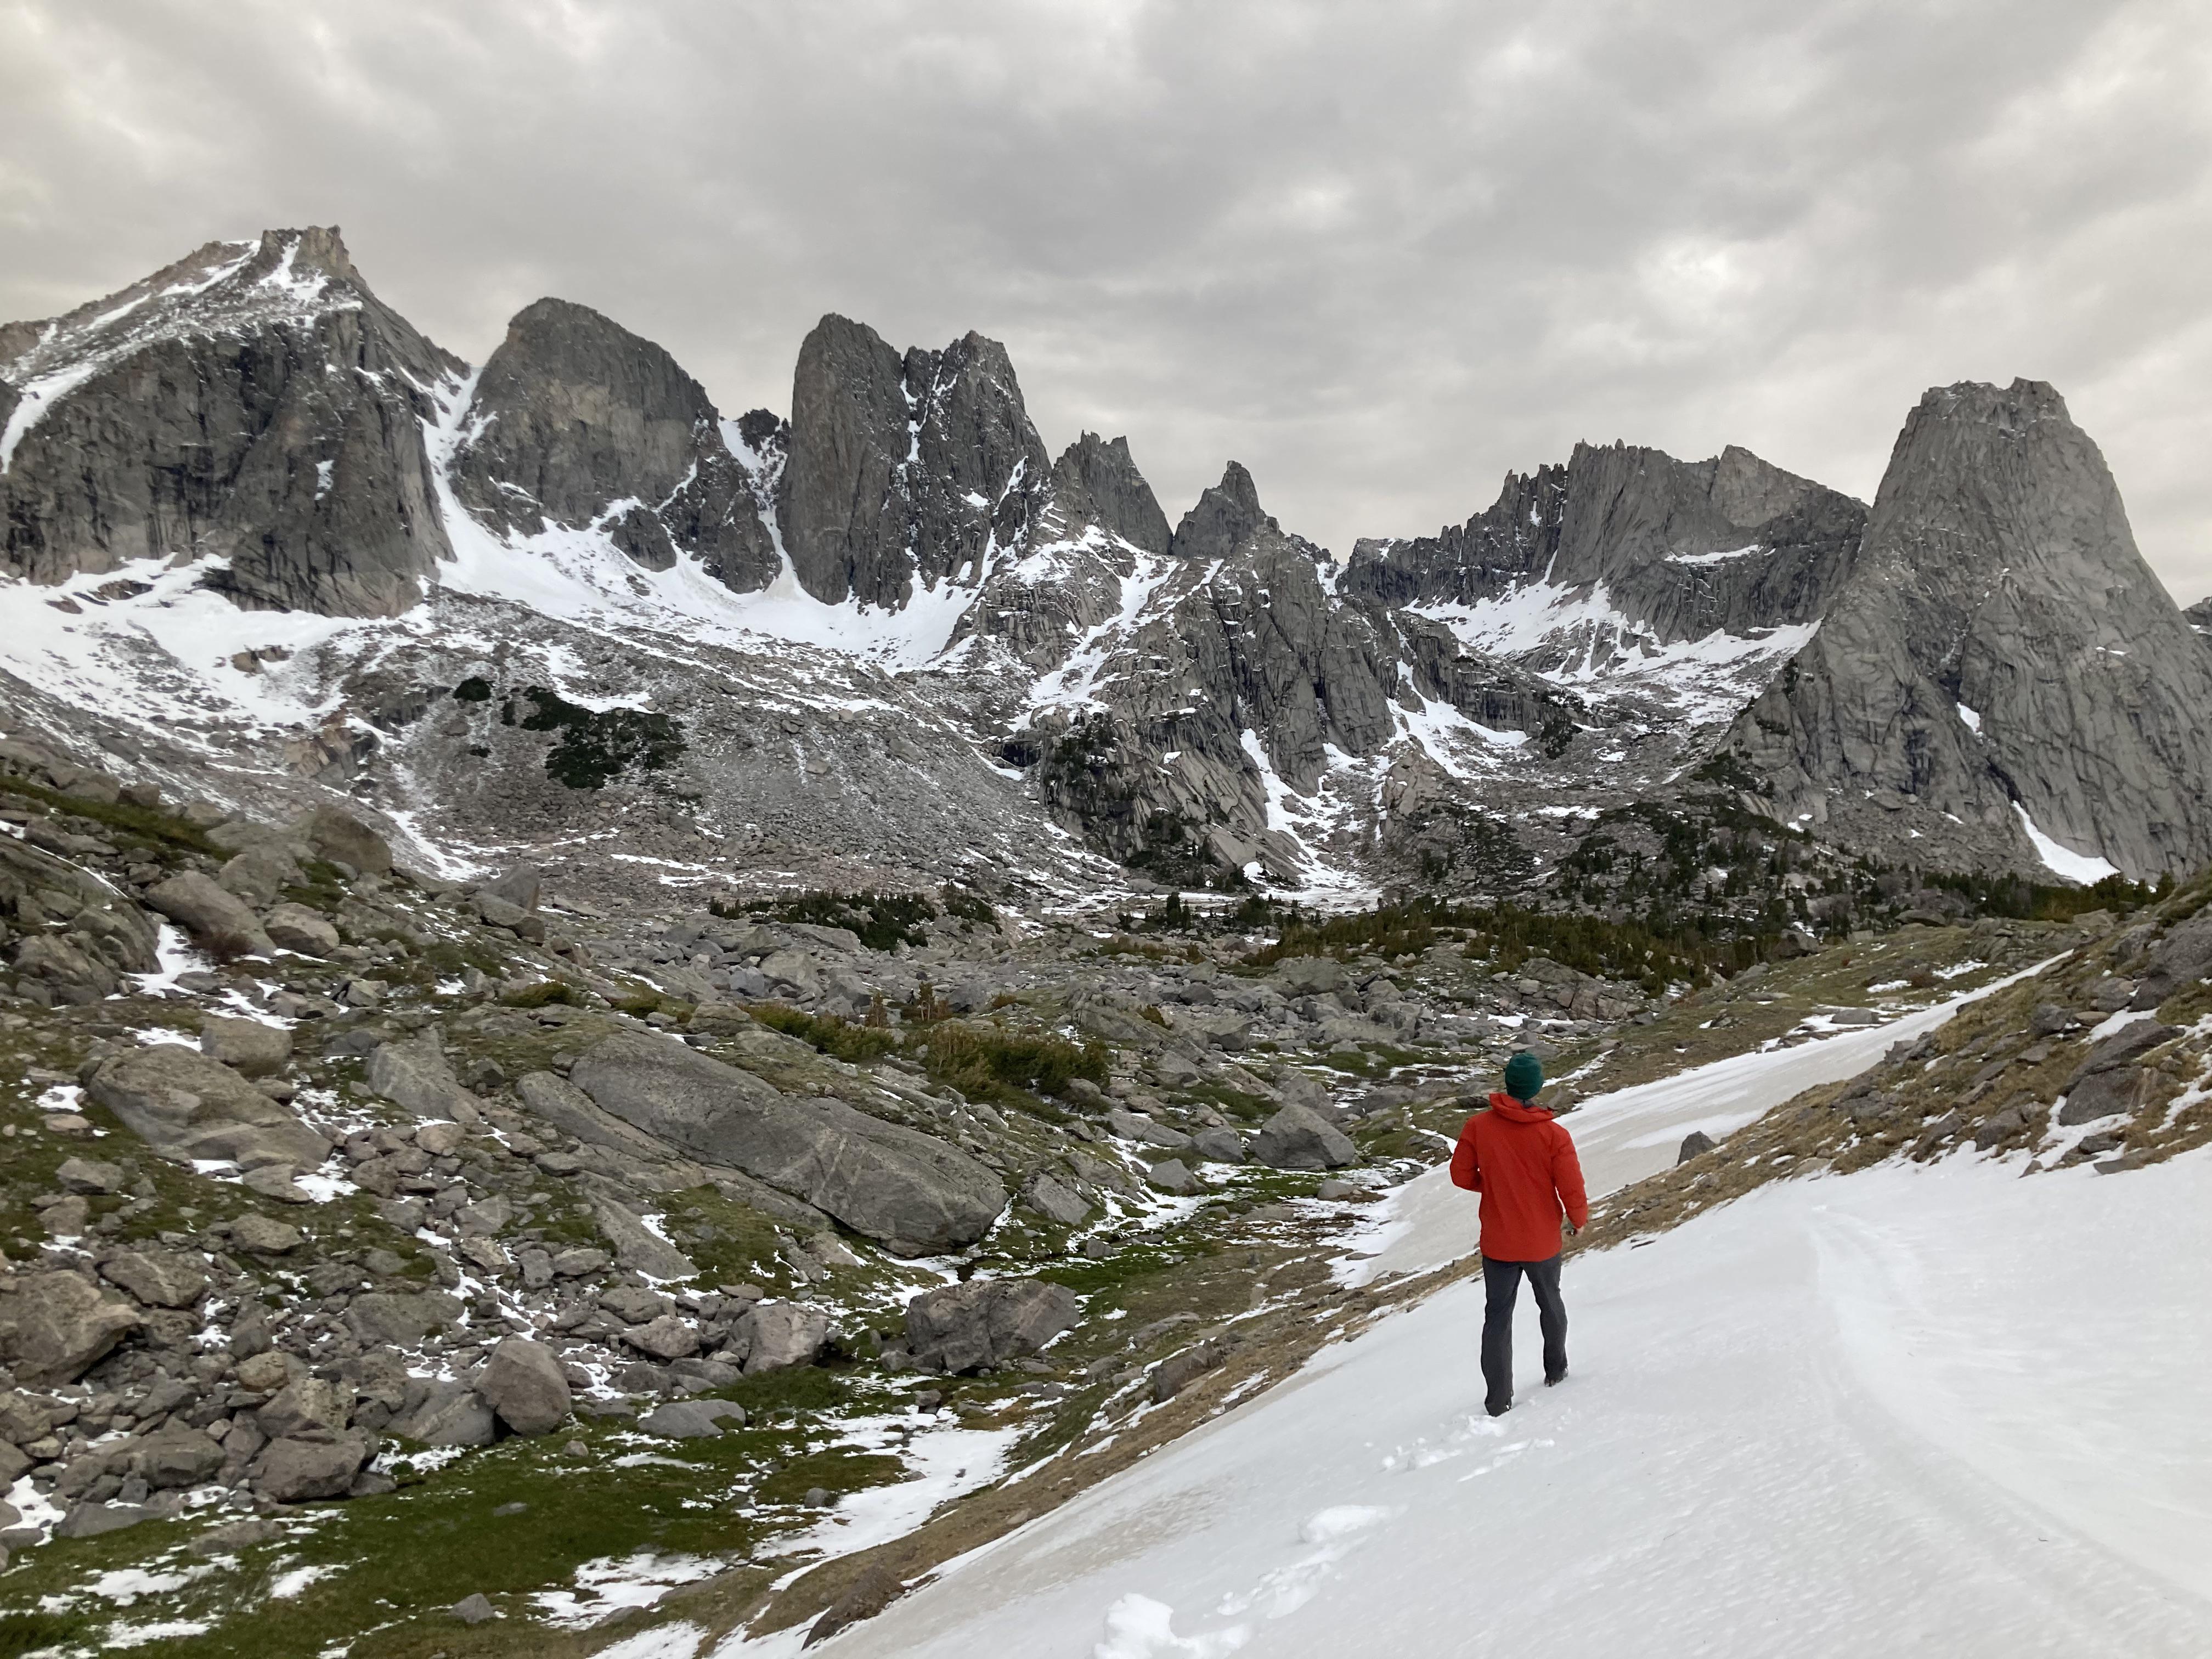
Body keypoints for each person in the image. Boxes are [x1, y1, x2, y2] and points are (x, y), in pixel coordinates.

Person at [1449, 1050, 1589, 1417]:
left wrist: (1492, 1186)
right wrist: (1578, 1218)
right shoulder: (1554, 1135)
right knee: (1550, 1301)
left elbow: (1460, 1175)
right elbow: (1570, 1186)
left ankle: (1497, 1400)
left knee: (1497, 1317)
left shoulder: (1478, 1127)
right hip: (1542, 1239)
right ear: (1537, 1088)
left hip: (1498, 1241)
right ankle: (1556, 1371)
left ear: (1508, 1085)